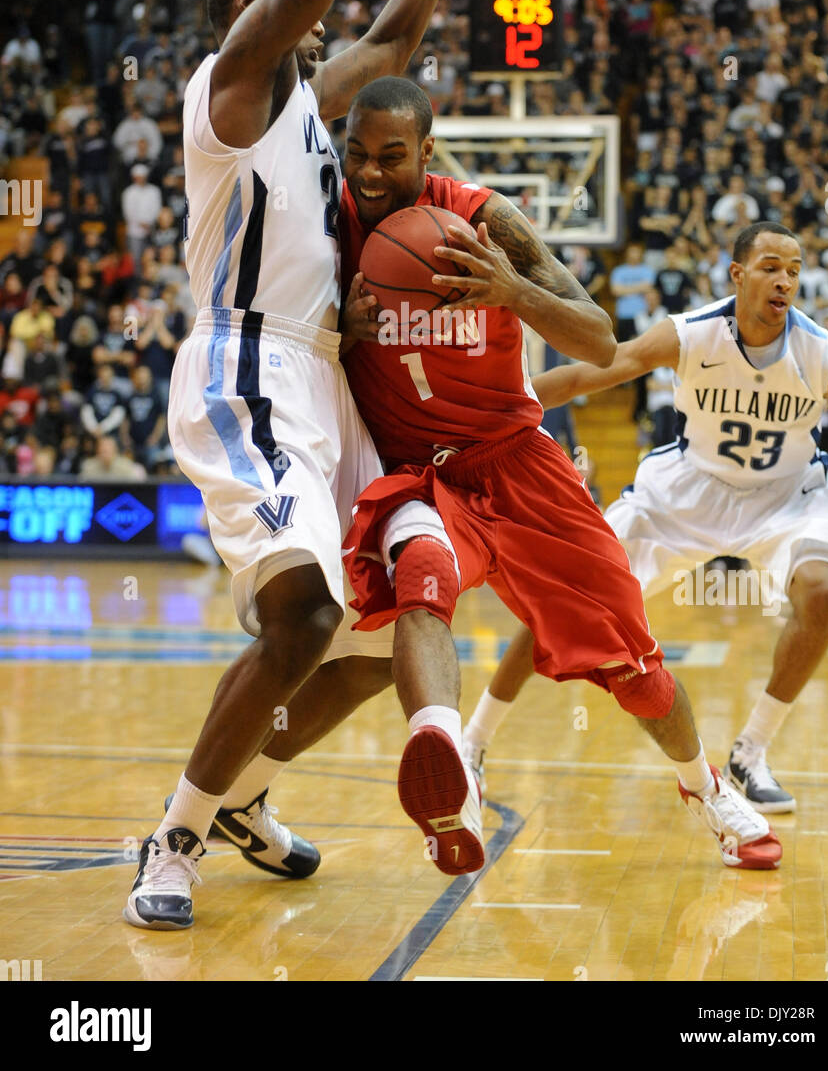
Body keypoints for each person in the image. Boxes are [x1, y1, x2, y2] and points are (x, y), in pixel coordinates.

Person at [204, 82, 780, 886]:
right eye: (358, 154)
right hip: (415, 473)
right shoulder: (325, 227)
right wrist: (342, 328)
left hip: (516, 459)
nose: (369, 172)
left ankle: (706, 788)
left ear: (426, 152)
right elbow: (286, 337)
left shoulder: (483, 218)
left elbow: (599, 337)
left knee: (634, 668)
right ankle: (450, 780)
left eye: (391, 157)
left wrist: (511, 290)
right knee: (421, 581)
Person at [124, 0, 476, 930]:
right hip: (244, 372)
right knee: (304, 617)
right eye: (288, 7)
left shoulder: (305, 118)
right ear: (245, 15)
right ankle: (169, 839)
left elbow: (391, 30)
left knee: (377, 641)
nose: (314, 18)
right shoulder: (228, 92)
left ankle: (242, 795)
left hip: (326, 388)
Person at [464, 224, 828, 815]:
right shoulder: (691, 333)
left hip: (786, 497)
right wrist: (499, 412)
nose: (784, 280)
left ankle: (750, 754)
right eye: (770, 267)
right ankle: (472, 743)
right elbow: (589, 373)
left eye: (794, 270)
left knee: (825, 588)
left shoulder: (824, 356)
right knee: (564, 605)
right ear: (737, 274)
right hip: (683, 494)